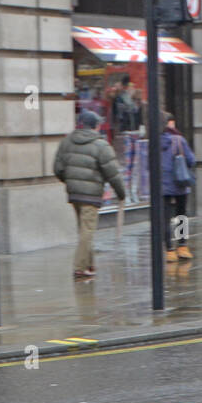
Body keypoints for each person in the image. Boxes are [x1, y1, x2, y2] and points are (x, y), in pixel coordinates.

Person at [53, 109, 125, 279]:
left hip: (74, 193)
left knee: (84, 228)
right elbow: (112, 173)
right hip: (91, 194)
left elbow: (58, 168)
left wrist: (70, 182)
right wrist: (121, 193)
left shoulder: (67, 142)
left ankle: (89, 264)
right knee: (87, 230)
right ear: (95, 126)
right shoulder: (101, 145)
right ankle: (80, 267)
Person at [159, 112, 197, 261]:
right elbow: (191, 160)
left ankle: (169, 249)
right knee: (181, 215)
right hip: (179, 183)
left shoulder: (153, 142)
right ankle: (182, 246)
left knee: (165, 218)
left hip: (162, 184)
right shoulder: (179, 140)